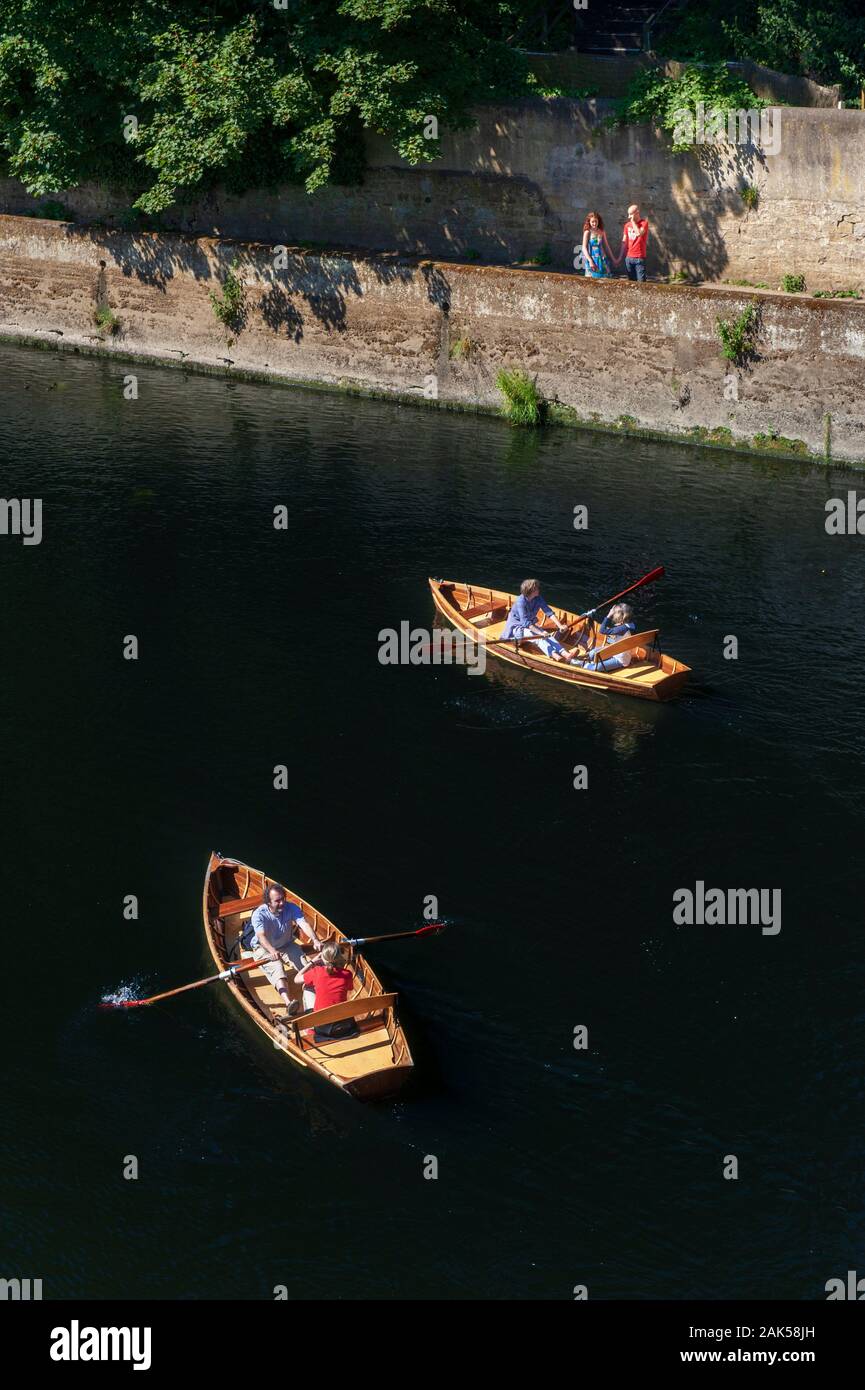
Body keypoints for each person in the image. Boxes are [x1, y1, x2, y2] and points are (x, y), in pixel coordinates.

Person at [249, 882, 322, 1017]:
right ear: (268, 902)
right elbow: (261, 936)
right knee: (278, 969)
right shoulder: (259, 914)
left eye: (283, 899)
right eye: (278, 901)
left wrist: (315, 939)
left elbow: (303, 924)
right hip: (264, 948)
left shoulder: (291, 907)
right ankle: (289, 1003)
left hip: (287, 945)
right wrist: (272, 951)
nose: (282, 903)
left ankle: (314, 1002)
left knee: (307, 968)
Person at [294, 943, 358, 1041]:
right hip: (345, 1025)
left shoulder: (317, 971)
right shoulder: (347, 974)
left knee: (306, 987)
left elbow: (296, 979)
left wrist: (312, 962)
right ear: (339, 958)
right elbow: (350, 989)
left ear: (323, 958)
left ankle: (310, 1029)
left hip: (322, 1027)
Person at [502, 578, 571, 662]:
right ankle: (554, 655)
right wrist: (541, 633)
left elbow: (548, 611)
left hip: (530, 624)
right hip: (517, 628)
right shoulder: (521, 601)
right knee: (539, 637)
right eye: (537, 588)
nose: (539, 589)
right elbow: (525, 623)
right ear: (531, 591)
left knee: (548, 636)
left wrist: (560, 626)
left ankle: (565, 653)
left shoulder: (538, 598)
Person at [572, 603, 637, 671]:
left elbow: (602, 630)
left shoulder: (622, 629)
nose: (613, 615)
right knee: (593, 653)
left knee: (596, 667)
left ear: (619, 616)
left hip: (620, 659)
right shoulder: (630, 625)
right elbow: (608, 625)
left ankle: (582, 664)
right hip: (615, 650)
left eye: (614, 613)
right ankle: (582, 659)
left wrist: (609, 615)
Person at [581, 211, 617, 279]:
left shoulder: (602, 231)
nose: (594, 223)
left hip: (602, 259)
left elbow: (607, 246)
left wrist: (613, 259)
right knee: (591, 280)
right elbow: (584, 248)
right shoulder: (587, 232)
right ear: (589, 222)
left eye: (596, 221)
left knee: (605, 279)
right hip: (592, 259)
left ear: (598, 221)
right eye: (592, 222)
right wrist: (590, 261)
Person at [620, 204, 650, 281]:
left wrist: (633, 222)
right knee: (631, 283)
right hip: (629, 258)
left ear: (637, 213)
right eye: (628, 214)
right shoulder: (627, 225)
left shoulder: (644, 223)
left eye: (631, 214)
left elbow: (638, 234)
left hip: (639, 258)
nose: (629, 216)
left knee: (641, 283)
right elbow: (624, 242)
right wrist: (620, 257)